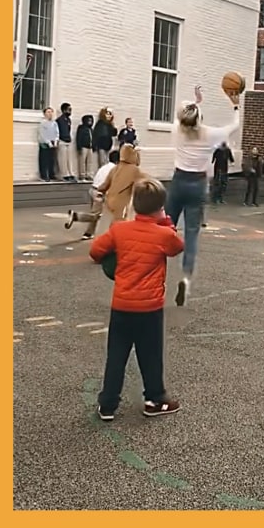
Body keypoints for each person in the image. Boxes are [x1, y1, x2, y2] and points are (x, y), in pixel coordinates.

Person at [89, 178, 185, 420]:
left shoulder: (119, 230)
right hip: (149, 308)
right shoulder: (164, 234)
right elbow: (177, 246)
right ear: (161, 206)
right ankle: (154, 399)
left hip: (121, 305)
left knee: (116, 355)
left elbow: (96, 251)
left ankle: (108, 404)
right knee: (150, 355)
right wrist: (165, 222)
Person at [166, 85, 240, 306]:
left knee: (162, 228)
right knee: (191, 234)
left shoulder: (177, 130)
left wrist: (196, 101)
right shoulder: (211, 134)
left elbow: (183, 115)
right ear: (200, 118)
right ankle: (186, 279)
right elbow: (234, 125)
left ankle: (155, 274)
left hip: (179, 181)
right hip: (197, 184)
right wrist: (235, 104)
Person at [66, 149, 118, 240]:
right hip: (99, 192)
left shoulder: (104, 167)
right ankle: (76, 216)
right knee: (96, 215)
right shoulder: (114, 169)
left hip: (92, 189)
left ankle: (88, 233)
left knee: (95, 213)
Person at [97, 144, 146, 223]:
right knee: (120, 224)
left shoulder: (115, 168)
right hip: (122, 204)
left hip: (109, 201)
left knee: (109, 224)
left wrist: (99, 190)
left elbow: (104, 186)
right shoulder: (135, 170)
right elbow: (145, 185)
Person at [37, 107, 60, 182]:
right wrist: (48, 142)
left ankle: (51, 174)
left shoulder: (54, 123)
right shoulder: (43, 123)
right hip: (44, 144)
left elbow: (57, 133)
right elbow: (43, 134)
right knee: (44, 160)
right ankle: (44, 175)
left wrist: (56, 140)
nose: (50, 114)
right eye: (48, 112)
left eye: (51, 112)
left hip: (53, 143)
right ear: (44, 114)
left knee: (51, 160)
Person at [56, 102, 76, 183]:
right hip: (62, 140)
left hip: (68, 140)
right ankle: (64, 174)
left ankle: (70, 172)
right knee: (62, 159)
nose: (70, 111)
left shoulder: (68, 120)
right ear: (64, 110)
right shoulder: (59, 120)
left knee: (69, 159)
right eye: (69, 110)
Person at [75, 114, 95, 182]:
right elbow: (79, 138)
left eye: (91, 120)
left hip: (90, 147)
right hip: (84, 147)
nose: (90, 122)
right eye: (88, 120)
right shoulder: (81, 128)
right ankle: (82, 175)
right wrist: (79, 147)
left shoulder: (91, 129)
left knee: (90, 162)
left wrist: (94, 146)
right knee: (82, 162)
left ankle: (89, 175)